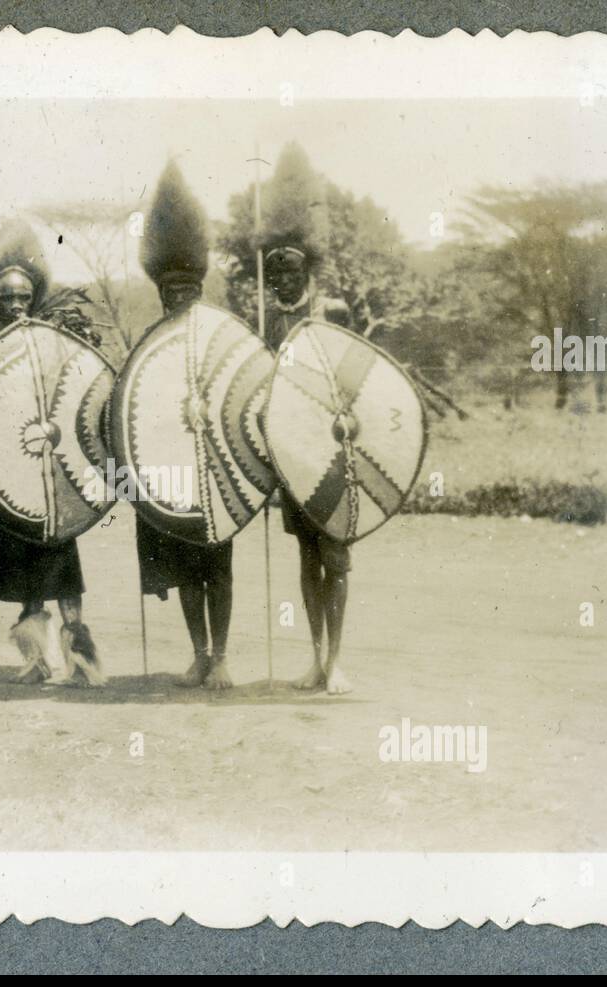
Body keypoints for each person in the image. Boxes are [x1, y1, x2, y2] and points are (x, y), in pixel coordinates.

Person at [0, 222, 101, 684]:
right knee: (25, 575)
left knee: (62, 568)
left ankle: (80, 659)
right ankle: (35, 659)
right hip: (7, 477)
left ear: (34, 298)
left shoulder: (55, 344)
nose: (15, 305)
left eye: (22, 297)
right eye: (6, 298)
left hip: (54, 476)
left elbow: (74, 397)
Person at [131, 160, 234, 690]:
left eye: (188, 291)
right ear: (161, 294)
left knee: (218, 568)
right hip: (172, 475)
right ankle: (198, 654)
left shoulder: (224, 339)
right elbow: (136, 408)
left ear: (200, 290)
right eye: (171, 292)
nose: (180, 300)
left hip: (219, 473)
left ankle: (222, 659)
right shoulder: (149, 343)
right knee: (187, 570)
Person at [259, 143, 353, 696]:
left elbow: (359, 380)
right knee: (305, 557)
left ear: (308, 271)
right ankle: (315, 657)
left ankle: (337, 662)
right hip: (292, 458)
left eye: (292, 271)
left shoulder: (333, 313)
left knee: (335, 559)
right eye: (276, 274)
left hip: (335, 455)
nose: (284, 281)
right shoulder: (270, 322)